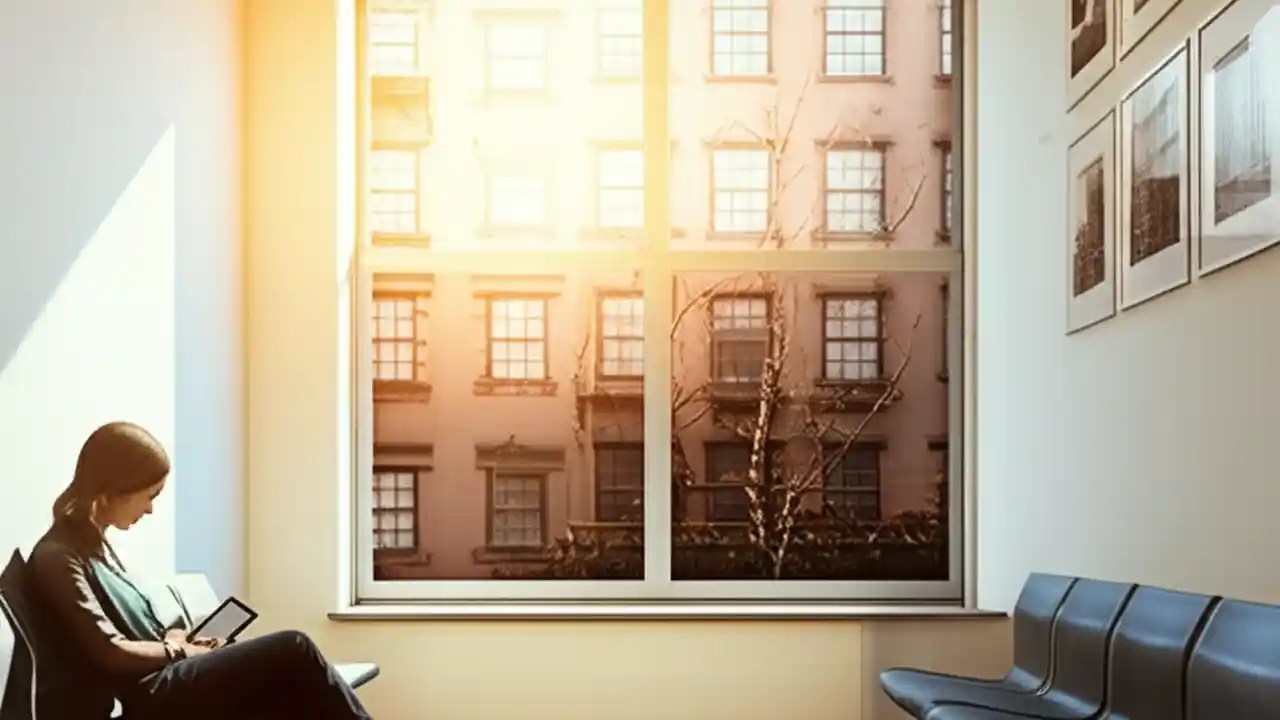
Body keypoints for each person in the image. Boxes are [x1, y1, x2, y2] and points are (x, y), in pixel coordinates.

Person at [26, 421, 373, 719]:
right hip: (150, 696)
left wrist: (174, 639)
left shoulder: (93, 543)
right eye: (150, 495)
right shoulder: (58, 555)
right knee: (294, 647)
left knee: (288, 693)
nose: (149, 509)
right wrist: (182, 651)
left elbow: (126, 634)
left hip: (162, 678)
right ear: (114, 489)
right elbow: (109, 649)